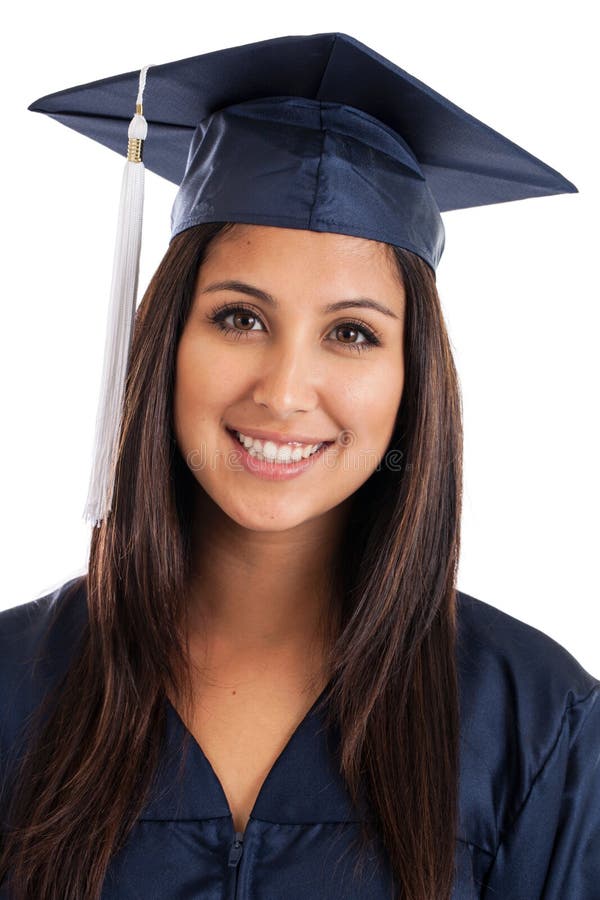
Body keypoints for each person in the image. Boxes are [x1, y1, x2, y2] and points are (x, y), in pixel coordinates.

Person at [1, 32, 598, 900]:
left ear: (412, 381)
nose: (284, 391)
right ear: (167, 341)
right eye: (240, 318)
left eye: (351, 333)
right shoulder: (17, 687)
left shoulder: (534, 726)